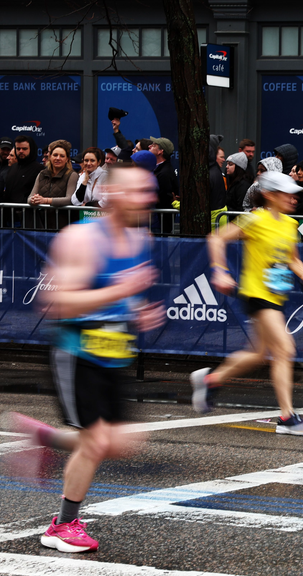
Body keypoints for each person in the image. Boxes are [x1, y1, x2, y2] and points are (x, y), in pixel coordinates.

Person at [19, 165, 165, 553]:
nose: (147, 199)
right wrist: (120, 290)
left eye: (149, 191)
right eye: (137, 192)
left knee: (121, 444)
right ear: (112, 196)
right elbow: (58, 302)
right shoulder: (80, 239)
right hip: (76, 351)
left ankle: (46, 439)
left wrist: (136, 310)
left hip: (114, 355)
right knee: (97, 441)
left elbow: (125, 297)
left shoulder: (141, 239)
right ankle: (62, 526)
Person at [190, 171, 303, 435]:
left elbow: (291, 258)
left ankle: (210, 380)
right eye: (287, 194)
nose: (294, 199)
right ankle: (286, 418)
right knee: (284, 349)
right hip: (256, 294)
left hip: (275, 296)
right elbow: (216, 238)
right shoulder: (254, 220)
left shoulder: (289, 224)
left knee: (260, 353)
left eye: (295, 194)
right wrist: (220, 271)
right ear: (270, 195)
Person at [28, 140, 79, 229]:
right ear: (50, 157)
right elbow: (29, 198)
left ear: (67, 159)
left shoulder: (72, 175)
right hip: (41, 224)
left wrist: (45, 201)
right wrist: (34, 200)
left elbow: (70, 199)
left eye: (62, 156)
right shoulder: (42, 174)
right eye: (55, 155)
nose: (58, 158)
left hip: (63, 225)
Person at [2, 136, 43, 222]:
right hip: (9, 217)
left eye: (24, 149)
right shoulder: (13, 167)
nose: (21, 151)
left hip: (29, 218)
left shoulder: (39, 169)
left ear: (31, 149)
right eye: (18, 148)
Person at [148, 137, 178, 232]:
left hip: (159, 223)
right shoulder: (159, 169)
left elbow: (163, 198)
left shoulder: (164, 173)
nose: (149, 146)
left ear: (160, 151)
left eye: (153, 145)